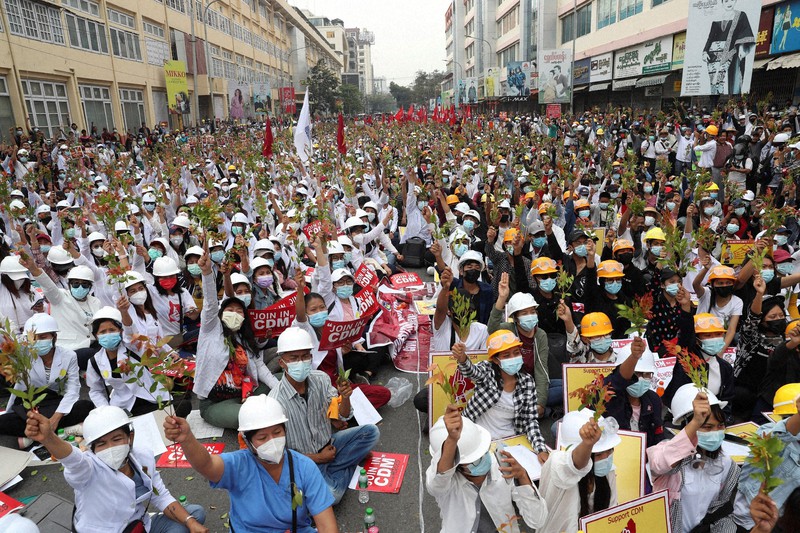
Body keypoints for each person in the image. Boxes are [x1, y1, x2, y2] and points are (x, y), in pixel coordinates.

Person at [163, 395, 338, 533]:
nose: (272, 441)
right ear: (247, 441)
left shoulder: (304, 467)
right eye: (262, 437)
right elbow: (207, 465)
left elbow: (327, 526)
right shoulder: (238, 465)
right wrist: (187, 439)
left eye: (277, 432)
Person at [25, 405, 207, 532]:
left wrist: (190, 522)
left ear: (130, 437)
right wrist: (49, 438)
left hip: (136, 525)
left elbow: (160, 495)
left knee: (195, 514)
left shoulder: (142, 457)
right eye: (102, 443)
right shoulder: (87, 469)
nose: (111, 448)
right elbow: (73, 460)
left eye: (117, 439)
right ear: (92, 448)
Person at [269, 327, 380, 504]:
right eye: (294, 358)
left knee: (371, 432)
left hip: (329, 445)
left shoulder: (321, 379)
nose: (301, 362)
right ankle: (347, 465)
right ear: (282, 363)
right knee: (332, 496)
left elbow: (343, 416)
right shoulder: (275, 401)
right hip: (303, 462)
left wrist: (345, 397)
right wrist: (318, 458)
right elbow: (279, 455)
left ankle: (334, 467)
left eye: (305, 356)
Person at [426, 404, 547, 533]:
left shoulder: (504, 468)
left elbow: (537, 520)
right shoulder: (445, 482)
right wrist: (452, 440)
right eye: (475, 460)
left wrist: (523, 478)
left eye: (484, 452)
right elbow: (438, 482)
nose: (484, 459)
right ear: (457, 467)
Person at [193, 243, 277, 428]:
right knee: (256, 418)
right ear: (221, 314)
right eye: (230, 310)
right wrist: (207, 273)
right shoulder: (211, 330)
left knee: (284, 382)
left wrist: (280, 389)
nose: (234, 314)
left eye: (239, 311)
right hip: (216, 403)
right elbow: (210, 304)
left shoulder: (243, 338)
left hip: (245, 393)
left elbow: (260, 367)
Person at [648, 385, 738, 532]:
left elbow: (721, 510)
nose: (715, 432)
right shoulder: (666, 452)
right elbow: (659, 463)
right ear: (688, 425)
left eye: (720, 425)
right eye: (707, 427)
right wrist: (696, 422)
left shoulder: (725, 463)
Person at [454, 331, 549, 460]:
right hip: (479, 438)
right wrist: (463, 358)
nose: (513, 358)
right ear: (495, 360)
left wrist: (541, 449)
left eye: (516, 353)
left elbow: (530, 421)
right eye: (506, 355)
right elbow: (472, 372)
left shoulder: (527, 381)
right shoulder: (487, 371)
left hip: (510, 439)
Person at [0, 314, 92, 446]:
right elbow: (6, 343)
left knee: (85, 406)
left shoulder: (69, 356)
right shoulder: (22, 354)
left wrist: (55, 418)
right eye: (33, 338)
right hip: (30, 404)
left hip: (56, 403)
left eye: (43, 337)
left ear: (54, 337)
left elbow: (72, 390)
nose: (37, 342)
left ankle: (33, 436)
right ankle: (66, 430)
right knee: (4, 421)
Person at [538, 409, 620, 533]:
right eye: (598, 454)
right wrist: (587, 444)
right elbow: (574, 465)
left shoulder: (608, 472)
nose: (606, 458)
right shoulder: (558, 464)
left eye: (609, 451)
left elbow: (611, 513)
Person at [489, 272, 550, 417]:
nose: (530, 316)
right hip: (512, 384)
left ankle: (534, 408)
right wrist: (502, 298)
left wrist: (540, 403)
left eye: (532, 312)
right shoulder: (508, 330)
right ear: (515, 318)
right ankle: (536, 409)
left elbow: (541, 370)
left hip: (533, 382)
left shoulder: (540, 335)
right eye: (524, 313)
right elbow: (492, 329)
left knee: (562, 387)